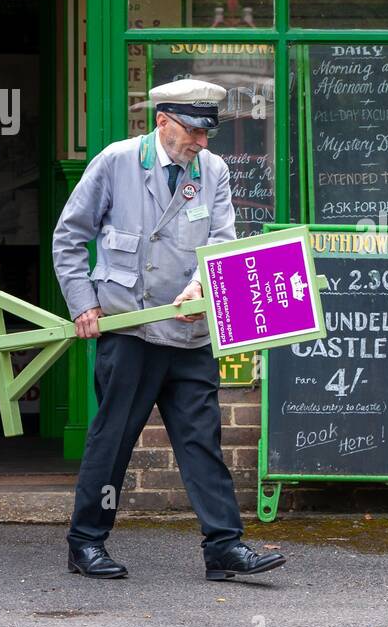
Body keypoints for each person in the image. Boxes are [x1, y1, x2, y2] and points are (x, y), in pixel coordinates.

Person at [51, 78, 285, 582]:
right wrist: (83, 304)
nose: (202, 143)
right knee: (113, 439)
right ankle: (86, 542)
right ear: (163, 121)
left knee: (203, 441)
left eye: (208, 133)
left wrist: (202, 286)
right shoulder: (116, 161)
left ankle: (224, 547)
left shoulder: (213, 170)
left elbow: (223, 241)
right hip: (129, 329)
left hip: (190, 332)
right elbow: (69, 237)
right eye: (194, 131)